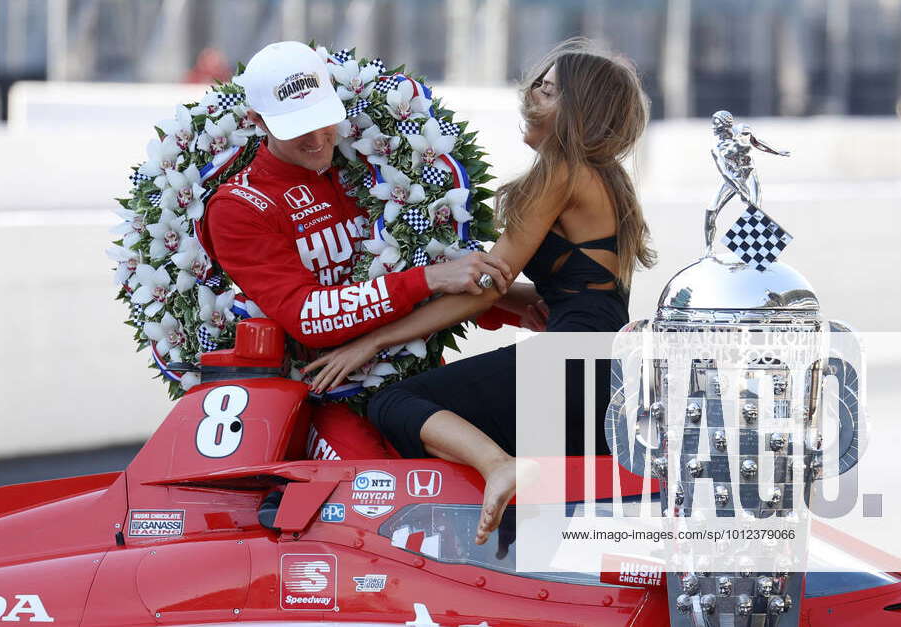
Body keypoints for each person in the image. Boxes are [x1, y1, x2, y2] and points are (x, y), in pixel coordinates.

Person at [304, 38, 657, 543]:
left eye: (548, 90)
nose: (530, 95)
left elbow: (488, 286)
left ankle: (498, 466)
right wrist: (505, 293)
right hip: (603, 366)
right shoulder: (607, 179)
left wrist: (373, 340)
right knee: (537, 533)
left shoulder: (561, 171)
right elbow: (574, 290)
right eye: (537, 85)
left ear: (580, 109)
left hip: (570, 360)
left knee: (394, 403)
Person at [197, 41, 513, 459]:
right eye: (297, 127)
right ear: (257, 121)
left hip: (410, 376)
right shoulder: (238, 207)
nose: (317, 139)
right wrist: (430, 279)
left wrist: (504, 300)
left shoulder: (374, 165)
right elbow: (307, 316)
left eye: (322, 118)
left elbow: (421, 263)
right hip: (326, 397)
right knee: (380, 487)